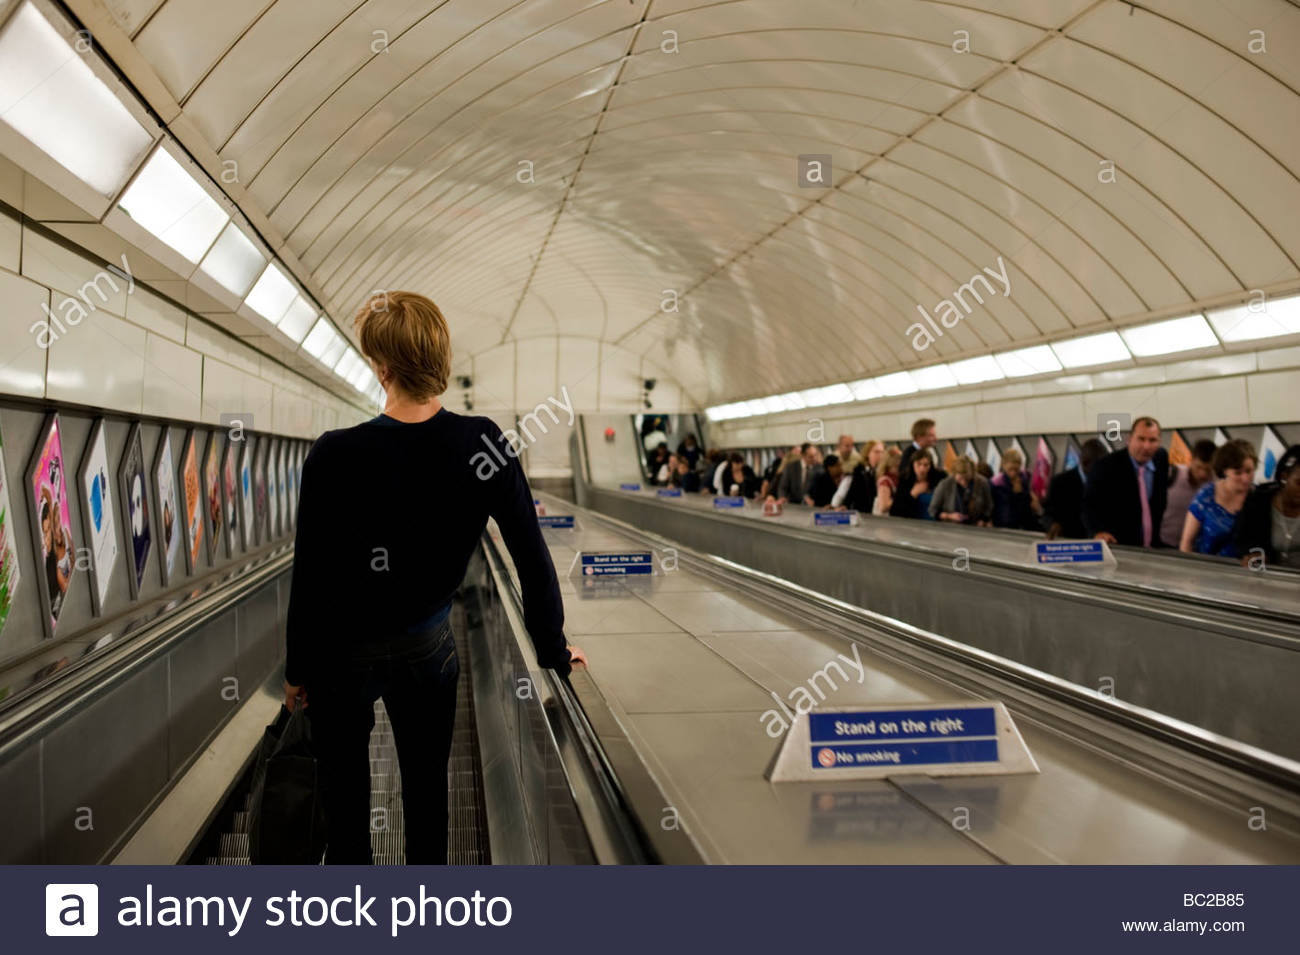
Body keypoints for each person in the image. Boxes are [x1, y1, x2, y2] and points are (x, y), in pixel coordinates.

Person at [281, 291, 586, 865]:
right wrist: (553, 648)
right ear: (439, 361)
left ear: (383, 368)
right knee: (427, 797)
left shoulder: (334, 455)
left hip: (339, 659)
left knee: (346, 809)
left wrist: (298, 668)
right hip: (428, 651)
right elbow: (531, 556)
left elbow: (312, 576)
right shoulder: (483, 445)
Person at [1082, 416, 1169, 547]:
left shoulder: (1161, 459)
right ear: (1130, 439)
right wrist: (1097, 531)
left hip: (1152, 547)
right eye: (1141, 439)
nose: (1146, 446)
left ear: (1159, 441)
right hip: (1120, 546)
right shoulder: (1106, 466)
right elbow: (1089, 505)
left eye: (1152, 440)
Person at [1180, 440, 1255, 558]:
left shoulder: (1258, 498)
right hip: (1205, 568)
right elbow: (1187, 542)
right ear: (1225, 471)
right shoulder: (1206, 496)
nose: (1245, 479)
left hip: (1243, 572)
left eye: (1249, 471)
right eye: (1238, 473)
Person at [1235, 444, 1300, 568]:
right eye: (1299, 483)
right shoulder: (1258, 503)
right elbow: (1242, 541)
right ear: (1284, 477)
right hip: (1265, 580)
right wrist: (1253, 555)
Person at [1045, 439, 1107, 539]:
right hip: (1069, 543)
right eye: (1099, 467)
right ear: (1085, 463)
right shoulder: (1060, 483)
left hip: (1097, 545)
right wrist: (1052, 525)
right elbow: (1047, 514)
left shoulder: (1105, 483)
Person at [1159, 439, 1215, 547]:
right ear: (1191, 459)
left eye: (1208, 470)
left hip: (1192, 549)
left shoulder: (1215, 487)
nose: (1202, 474)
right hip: (1161, 544)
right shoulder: (1172, 474)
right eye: (1199, 467)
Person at [990, 448, 1043, 530]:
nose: (1013, 473)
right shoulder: (996, 483)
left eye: (1016, 469)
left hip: (1023, 523)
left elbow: (1026, 502)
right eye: (1010, 469)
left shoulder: (1025, 478)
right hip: (1003, 523)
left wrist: (1022, 494)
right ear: (1003, 466)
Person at [929, 457, 992, 525]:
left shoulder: (982, 483)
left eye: (967, 478)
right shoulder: (945, 484)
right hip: (950, 526)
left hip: (975, 527)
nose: (964, 482)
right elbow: (933, 510)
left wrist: (983, 519)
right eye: (960, 478)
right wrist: (949, 516)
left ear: (973, 473)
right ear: (954, 474)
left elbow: (989, 506)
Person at [890, 452, 939, 520]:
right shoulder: (905, 482)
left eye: (926, 465)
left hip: (936, 524)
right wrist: (913, 494)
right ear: (913, 465)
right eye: (918, 464)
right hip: (914, 523)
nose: (922, 469)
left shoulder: (938, 480)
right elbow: (895, 511)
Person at [873, 449, 902, 516]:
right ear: (888, 466)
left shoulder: (896, 479)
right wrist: (902, 498)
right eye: (896, 466)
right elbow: (883, 506)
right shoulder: (885, 481)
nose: (899, 469)